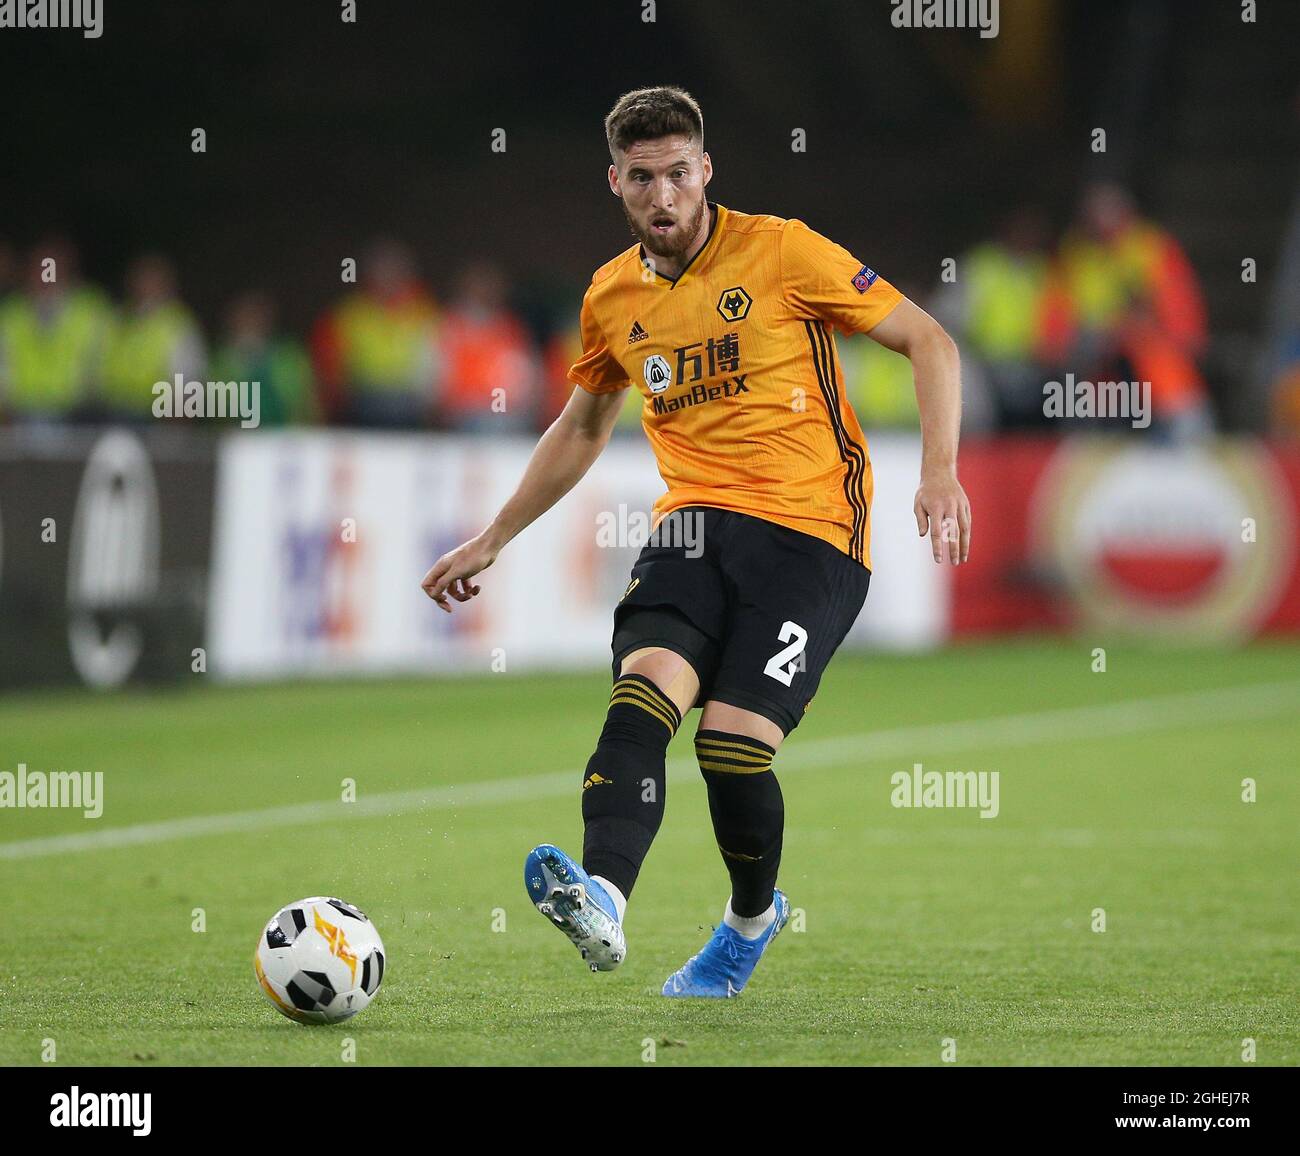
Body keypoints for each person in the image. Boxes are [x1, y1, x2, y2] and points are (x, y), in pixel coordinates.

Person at [420, 86, 971, 998]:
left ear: (706, 169)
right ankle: (602, 898)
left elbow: (930, 342)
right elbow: (585, 427)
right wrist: (494, 536)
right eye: (643, 179)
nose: (663, 195)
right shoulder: (611, 297)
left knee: (732, 746)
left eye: (679, 173)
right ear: (617, 183)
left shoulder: (784, 251)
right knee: (641, 697)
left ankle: (750, 920)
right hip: (692, 529)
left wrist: (940, 469)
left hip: (811, 533)